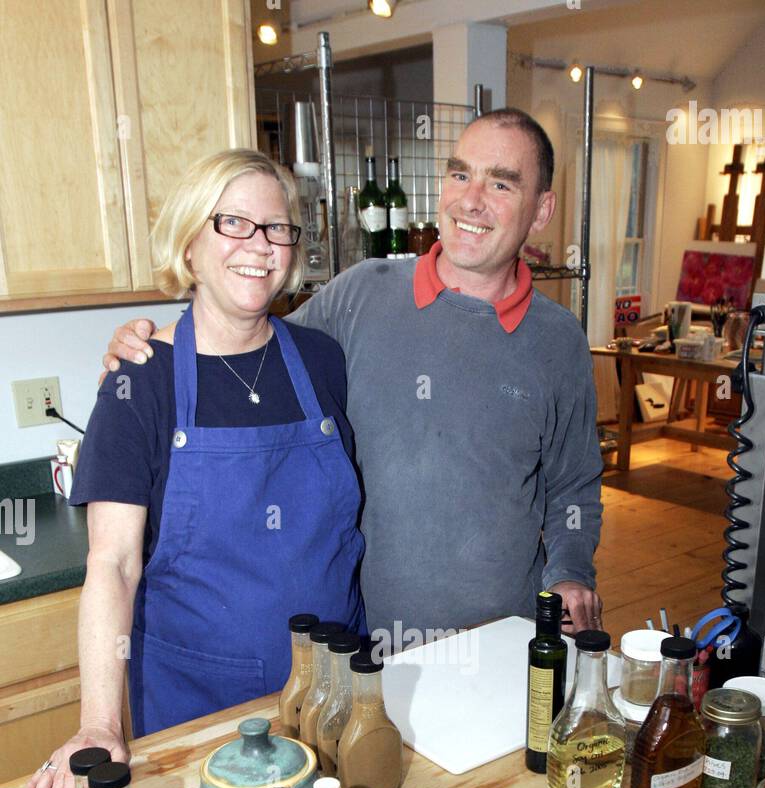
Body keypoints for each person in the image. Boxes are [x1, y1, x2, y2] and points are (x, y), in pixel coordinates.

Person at [104, 108, 603, 639]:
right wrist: (153, 348)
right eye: (460, 174)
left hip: (503, 636)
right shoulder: (362, 293)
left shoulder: (558, 340)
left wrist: (571, 571)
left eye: (500, 183)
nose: (471, 199)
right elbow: (249, 351)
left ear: (542, 209)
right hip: (365, 646)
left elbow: (574, 482)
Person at [25, 149, 365, 788]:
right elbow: (113, 562)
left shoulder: (321, 358)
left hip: (333, 697)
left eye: (276, 228)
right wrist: (99, 724)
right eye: (232, 223)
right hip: (203, 710)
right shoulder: (139, 379)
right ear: (189, 241)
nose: (259, 246)